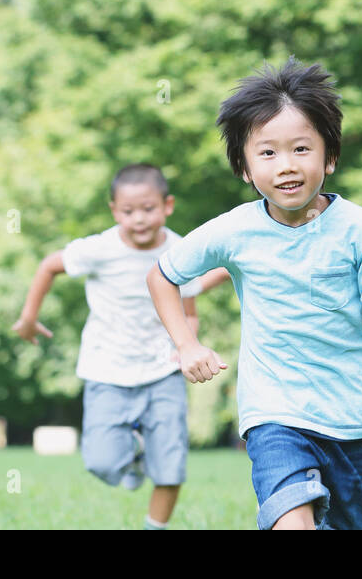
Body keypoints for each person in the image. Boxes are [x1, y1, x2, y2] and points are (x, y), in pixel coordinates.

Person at [147, 58, 362, 530]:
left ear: (329, 157)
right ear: (245, 168)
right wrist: (186, 345)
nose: (286, 166)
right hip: (275, 415)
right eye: (267, 153)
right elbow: (162, 276)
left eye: (301, 149)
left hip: (357, 422)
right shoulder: (235, 230)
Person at [14, 163, 230, 530]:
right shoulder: (101, 248)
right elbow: (50, 265)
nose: (139, 219)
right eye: (128, 211)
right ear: (114, 211)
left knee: (170, 463)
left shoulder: (180, 251)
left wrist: (186, 344)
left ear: (168, 205)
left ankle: (154, 525)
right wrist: (29, 317)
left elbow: (188, 308)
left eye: (148, 209)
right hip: (107, 370)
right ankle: (133, 455)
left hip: (163, 370)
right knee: (100, 462)